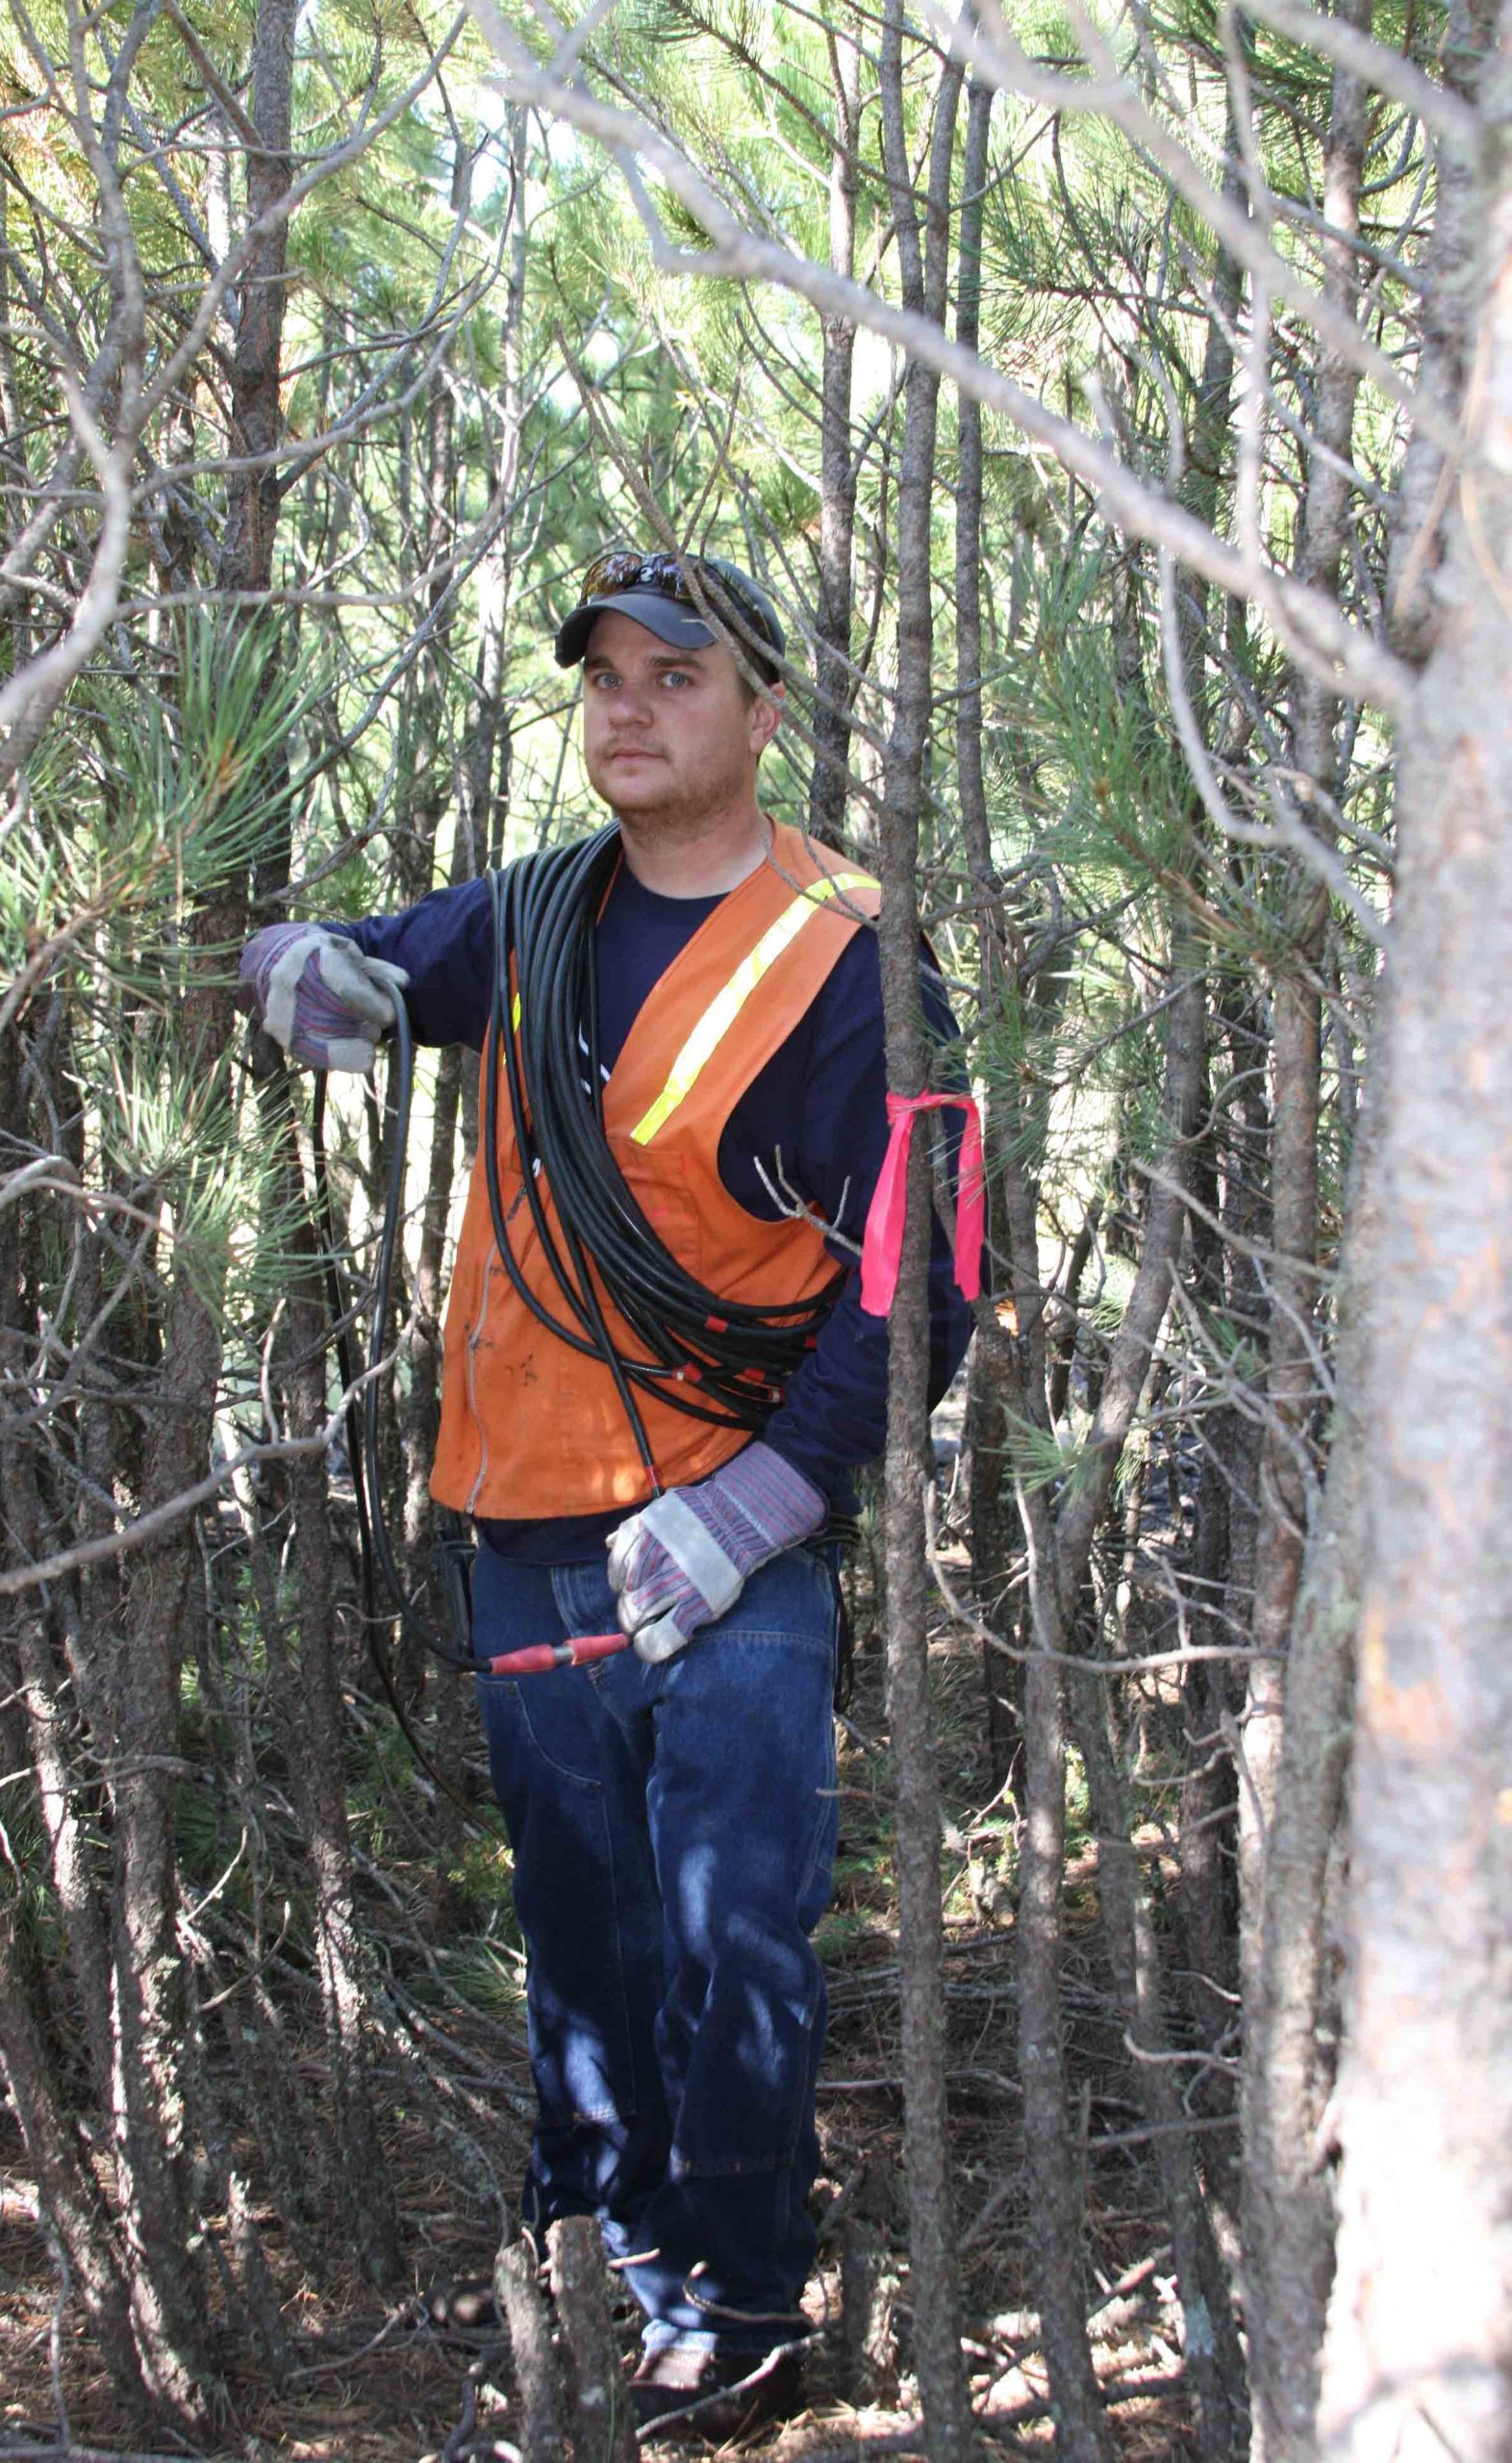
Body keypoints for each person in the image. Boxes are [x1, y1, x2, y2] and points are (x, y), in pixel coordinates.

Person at [239, 549, 973, 2438]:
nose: (628, 706)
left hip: (730, 1544)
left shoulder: (854, 955)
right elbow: (373, 970)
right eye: (604, 677)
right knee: (587, 1926)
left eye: (677, 673)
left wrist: (762, 1501)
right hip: (531, 1526)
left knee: (736, 1928)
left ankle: (740, 2301)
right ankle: (641, 2265)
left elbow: (931, 1265)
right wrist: (299, 969)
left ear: (761, 710)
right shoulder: (530, 910)